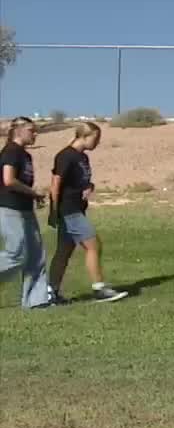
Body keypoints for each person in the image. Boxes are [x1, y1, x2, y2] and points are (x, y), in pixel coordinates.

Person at [46, 122, 129, 304]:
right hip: (69, 210)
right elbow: (55, 184)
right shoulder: (65, 156)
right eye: (96, 138)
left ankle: (50, 292)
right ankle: (99, 288)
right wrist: (54, 211)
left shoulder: (82, 158)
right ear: (84, 136)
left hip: (77, 208)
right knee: (93, 244)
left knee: (64, 252)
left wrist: (89, 186)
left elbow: (81, 181)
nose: (97, 143)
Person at [0, 117, 53, 310]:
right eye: (32, 130)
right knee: (16, 253)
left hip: (25, 210)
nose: (35, 134)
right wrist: (34, 193)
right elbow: (8, 180)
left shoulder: (25, 155)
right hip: (9, 209)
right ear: (18, 131)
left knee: (36, 256)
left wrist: (33, 197)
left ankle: (36, 302)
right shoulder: (11, 151)